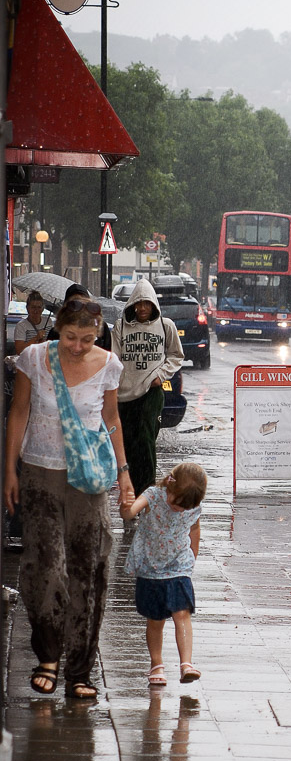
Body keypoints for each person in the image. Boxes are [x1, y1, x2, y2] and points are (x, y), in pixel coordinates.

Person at [3, 297, 132, 700]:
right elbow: (19, 411)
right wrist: (9, 469)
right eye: (71, 337)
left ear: (99, 334)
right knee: (44, 567)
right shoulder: (35, 359)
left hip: (88, 480)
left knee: (89, 569)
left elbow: (111, 419)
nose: (78, 346)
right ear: (59, 327)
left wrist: (125, 473)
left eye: (88, 338)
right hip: (40, 473)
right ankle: (47, 655)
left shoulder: (109, 365)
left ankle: (80, 668)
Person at [120, 462, 207, 687]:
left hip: (179, 566)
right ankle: (156, 664)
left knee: (182, 613)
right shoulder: (154, 495)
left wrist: (193, 555)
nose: (180, 510)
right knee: (155, 621)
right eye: (177, 505)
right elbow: (130, 512)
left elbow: (194, 528)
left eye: (185, 508)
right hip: (151, 568)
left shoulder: (192, 506)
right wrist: (126, 505)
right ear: (170, 486)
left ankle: (186, 664)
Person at [112, 279, 184, 497]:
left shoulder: (166, 325)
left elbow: (176, 355)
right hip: (125, 394)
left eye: (147, 303)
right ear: (133, 304)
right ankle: (131, 489)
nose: (142, 308)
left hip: (151, 391)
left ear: (153, 305)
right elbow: (114, 359)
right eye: (139, 303)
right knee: (130, 444)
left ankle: (148, 491)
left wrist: (161, 375)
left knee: (146, 439)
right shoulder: (120, 326)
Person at [48, 284, 112, 351]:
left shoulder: (102, 327)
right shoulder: (55, 332)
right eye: (70, 337)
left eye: (87, 339)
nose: (77, 348)